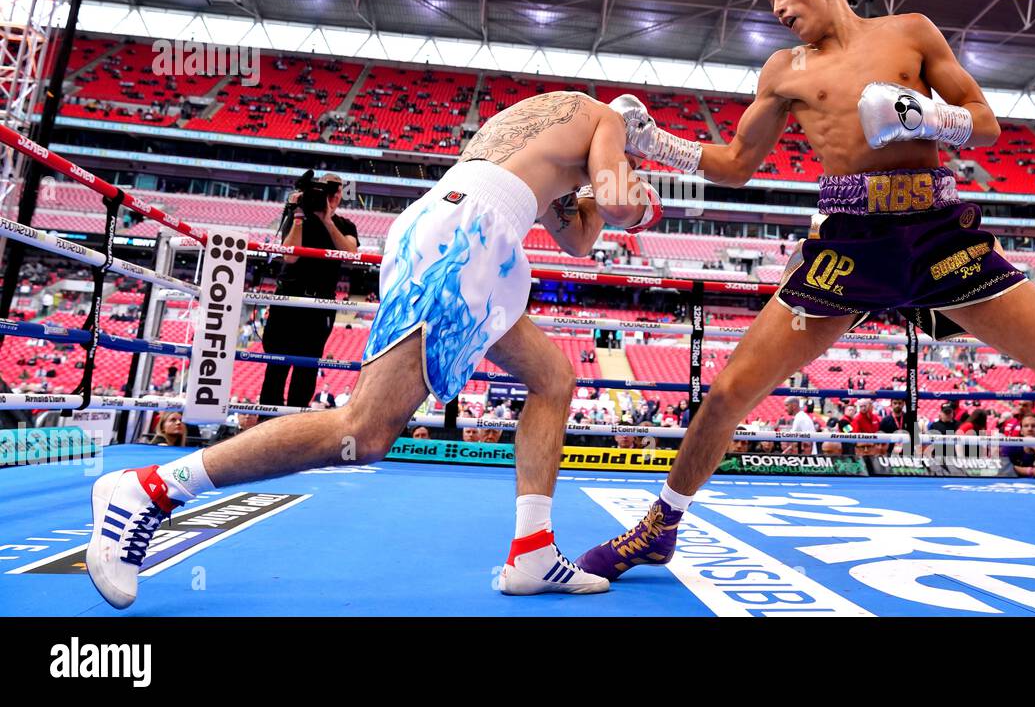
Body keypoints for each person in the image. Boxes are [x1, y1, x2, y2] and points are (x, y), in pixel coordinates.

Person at [576, 0, 1035, 611]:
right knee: (727, 392)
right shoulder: (783, 70)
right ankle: (658, 527)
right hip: (848, 241)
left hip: (937, 234)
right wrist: (655, 141)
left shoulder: (910, 31)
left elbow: (987, 124)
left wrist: (925, 114)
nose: (778, 9)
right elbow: (735, 164)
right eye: (771, 1)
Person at [87, 91, 661, 608]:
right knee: (363, 432)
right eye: (625, 150)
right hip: (467, 234)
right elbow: (616, 205)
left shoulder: (544, 139)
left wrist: (607, 184)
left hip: (469, 230)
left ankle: (533, 552)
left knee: (553, 379)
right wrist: (643, 195)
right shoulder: (603, 115)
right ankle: (149, 488)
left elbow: (581, 237)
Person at [257, 173, 360, 410]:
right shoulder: (296, 217)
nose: (332, 196)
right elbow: (290, 256)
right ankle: (266, 424)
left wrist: (328, 220)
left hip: (320, 303)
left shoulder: (345, 225)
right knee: (276, 365)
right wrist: (298, 217)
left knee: (307, 367)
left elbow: (351, 254)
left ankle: (296, 422)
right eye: (327, 191)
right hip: (289, 299)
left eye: (337, 191)